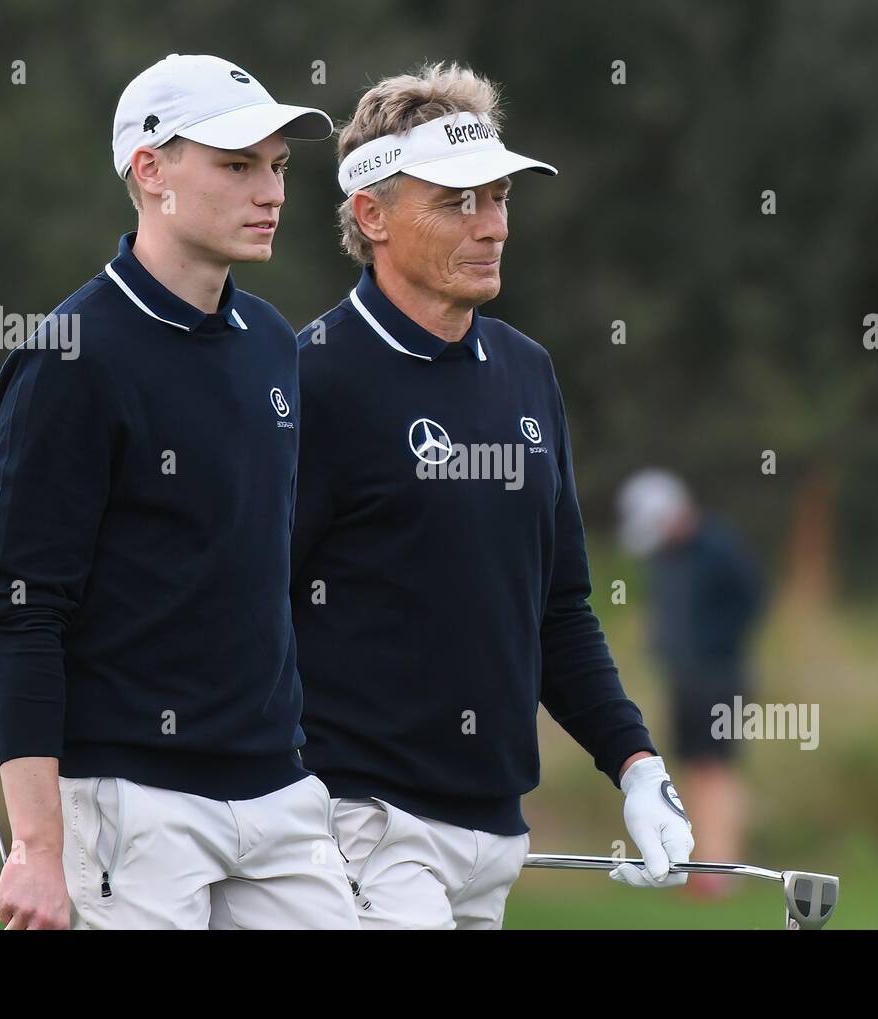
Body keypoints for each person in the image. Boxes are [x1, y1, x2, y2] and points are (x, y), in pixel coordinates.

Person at [290, 63, 695, 930]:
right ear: (372, 215)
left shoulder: (525, 370)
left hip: (494, 831)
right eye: (457, 203)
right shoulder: (312, 377)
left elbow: (558, 607)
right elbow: (249, 604)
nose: (494, 227)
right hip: (359, 825)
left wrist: (634, 763)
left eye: (501, 197)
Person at [0, 53, 356, 929]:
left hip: (280, 793)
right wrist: (37, 845)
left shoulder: (270, 341)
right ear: (149, 172)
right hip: (128, 807)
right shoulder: (72, 356)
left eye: (278, 166)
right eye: (236, 165)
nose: (272, 193)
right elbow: (24, 609)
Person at [617, 468, 766, 898]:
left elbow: (753, 599)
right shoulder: (667, 556)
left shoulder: (720, 546)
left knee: (716, 769)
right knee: (692, 768)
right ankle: (695, 865)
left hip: (722, 678)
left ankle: (717, 873)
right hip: (684, 679)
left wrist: (709, 646)